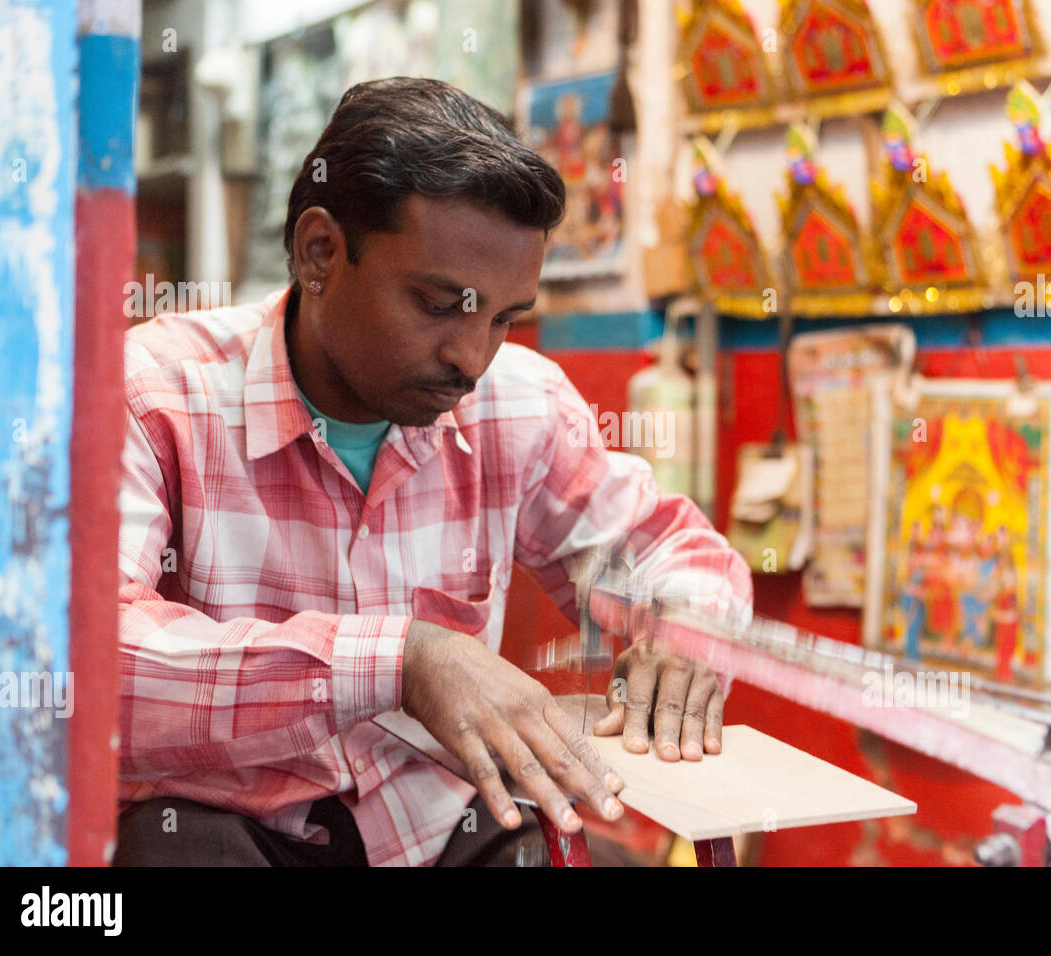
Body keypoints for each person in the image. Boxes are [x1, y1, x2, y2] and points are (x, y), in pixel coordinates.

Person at [114, 77, 752, 867]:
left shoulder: (518, 406)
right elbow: (97, 662)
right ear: (320, 253)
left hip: (437, 830)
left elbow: (673, 553)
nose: (472, 357)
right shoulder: (152, 394)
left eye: (504, 317)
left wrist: (684, 632)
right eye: (440, 304)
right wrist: (401, 662)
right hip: (223, 828)